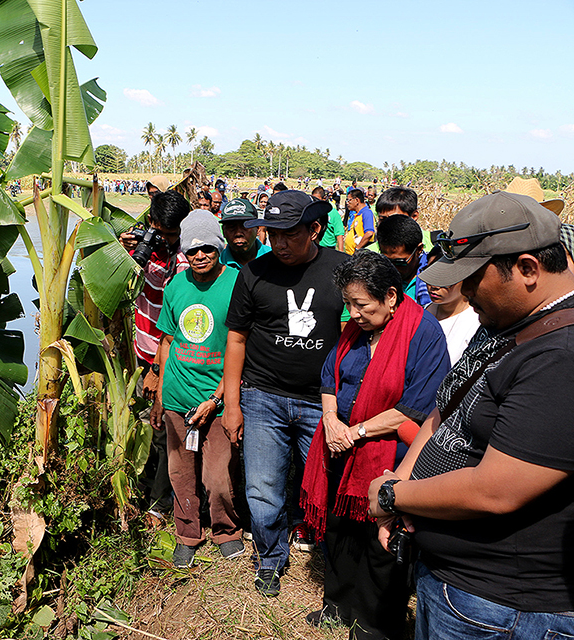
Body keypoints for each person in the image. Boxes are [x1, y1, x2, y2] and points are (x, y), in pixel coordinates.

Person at [368, 191, 574, 640]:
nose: (464, 293)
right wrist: (402, 480)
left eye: (474, 279)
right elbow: (444, 411)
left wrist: (390, 498)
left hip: (504, 608)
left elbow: (497, 490)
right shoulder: (502, 321)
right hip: (455, 587)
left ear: (527, 269)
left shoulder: (561, 356)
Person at [301, 250, 450, 640]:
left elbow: (414, 409)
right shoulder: (356, 330)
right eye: (348, 304)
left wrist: (357, 431)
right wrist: (332, 420)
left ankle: (373, 625)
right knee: (340, 529)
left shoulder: (423, 333)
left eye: (361, 305)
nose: (352, 314)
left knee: (381, 541)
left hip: (391, 456)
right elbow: (329, 377)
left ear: (390, 296)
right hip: (341, 448)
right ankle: (337, 605)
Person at [223, 190, 349, 596]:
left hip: (322, 402)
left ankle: (335, 566)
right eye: (272, 233)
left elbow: (359, 329)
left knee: (327, 487)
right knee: (262, 487)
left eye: (289, 234)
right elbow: (237, 339)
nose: (278, 243)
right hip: (263, 397)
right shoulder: (253, 273)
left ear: (314, 230)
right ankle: (271, 560)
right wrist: (232, 404)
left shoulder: (342, 270)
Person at [151, 210, 243, 567]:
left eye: (206, 248)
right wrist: (160, 394)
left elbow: (240, 345)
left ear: (218, 246)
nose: (199, 255)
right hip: (177, 398)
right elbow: (167, 341)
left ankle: (226, 530)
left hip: (218, 400)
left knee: (218, 477)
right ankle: (188, 533)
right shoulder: (175, 286)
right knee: (180, 471)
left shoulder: (236, 283)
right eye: (191, 250)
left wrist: (217, 398)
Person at [119, 191, 191, 518]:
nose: (168, 240)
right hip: (141, 349)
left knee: (163, 428)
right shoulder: (144, 248)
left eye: (174, 234)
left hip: (168, 356)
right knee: (143, 422)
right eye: (163, 232)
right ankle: (143, 484)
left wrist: (159, 370)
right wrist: (121, 252)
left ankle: (161, 502)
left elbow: (177, 317)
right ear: (152, 223)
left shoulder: (188, 258)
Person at [424, 246, 480, 363]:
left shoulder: (476, 322)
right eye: (430, 274)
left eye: (444, 278)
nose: (434, 286)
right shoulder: (421, 313)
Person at [377, 214, 431, 306]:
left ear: (419, 249)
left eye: (399, 262)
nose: (393, 268)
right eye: (387, 261)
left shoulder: (433, 279)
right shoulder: (378, 275)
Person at [369, 187, 433, 253]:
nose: (387, 225)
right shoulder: (369, 253)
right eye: (383, 219)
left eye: (395, 220)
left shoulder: (436, 246)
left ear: (414, 216)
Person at [219, 198, 269, 268]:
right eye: (232, 227)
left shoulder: (274, 258)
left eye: (245, 226)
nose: (238, 233)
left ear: (257, 229)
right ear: (223, 231)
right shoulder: (218, 264)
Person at [312, 186, 345, 252]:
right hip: (314, 247)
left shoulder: (333, 213)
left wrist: (341, 251)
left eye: (317, 199)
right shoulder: (312, 211)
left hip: (328, 249)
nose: (315, 202)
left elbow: (339, 234)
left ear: (324, 198)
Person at [345, 188, 375, 254]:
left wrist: (358, 249)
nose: (347, 203)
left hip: (357, 256)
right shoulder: (358, 214)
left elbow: (369, 233)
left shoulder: (366, 213)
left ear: (356, 200)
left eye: (349, 200)